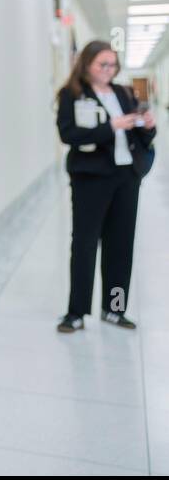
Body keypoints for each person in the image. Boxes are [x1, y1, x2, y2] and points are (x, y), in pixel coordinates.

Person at [54, 41, 157, 333]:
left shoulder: (123, 92)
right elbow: (68, 134)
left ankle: (114, 309)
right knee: (85, 244)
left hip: (127, 177)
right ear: (86, 65)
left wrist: (147, 125)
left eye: (113, 64)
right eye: (103, 64)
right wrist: (111, 127)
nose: (109, 70)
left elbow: (141, 134)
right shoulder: (72, 94)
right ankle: (75, 313)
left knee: (121, 245)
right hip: (91, 178)